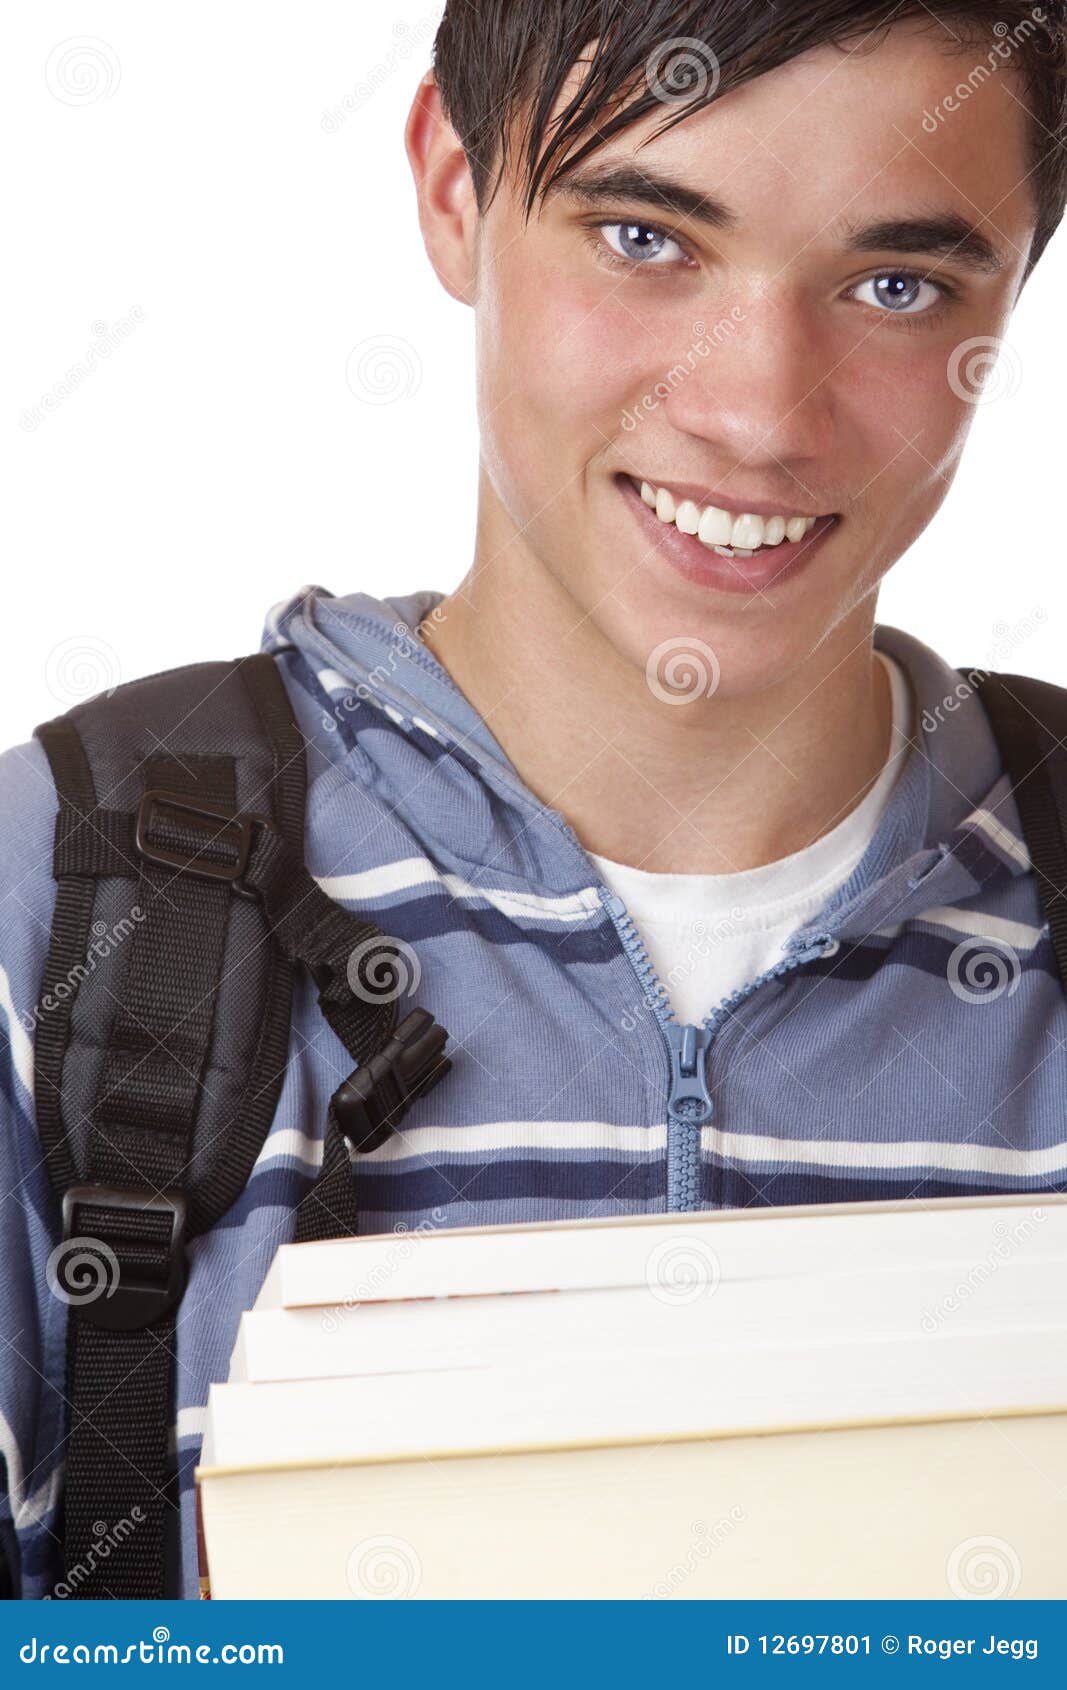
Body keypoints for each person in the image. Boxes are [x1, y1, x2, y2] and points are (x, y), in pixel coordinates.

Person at [1, 0, 1064, 1600]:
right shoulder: (63, 898)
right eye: (646, 237)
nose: (761, 412)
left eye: (898, 284)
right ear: (450, 182)